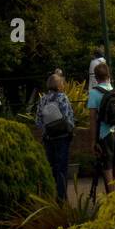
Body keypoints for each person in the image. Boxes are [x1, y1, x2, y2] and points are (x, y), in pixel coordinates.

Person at [86, 60, 115, 192]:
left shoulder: (94, 93)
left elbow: (92, 118)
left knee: (107, 168)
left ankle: (112, 201)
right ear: (109, 75)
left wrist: (93, 141)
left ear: (96, 77)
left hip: (105, 133)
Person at [35, 72, 75, 200]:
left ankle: (50, 197)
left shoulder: (43, 99)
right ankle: (62, 198)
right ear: (60, 85)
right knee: (62, 168)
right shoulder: (63, 98)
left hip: (49, 138)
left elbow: (38, 121)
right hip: (62, 137)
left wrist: (47, 130)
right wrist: (70, 131)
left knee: (51, 167)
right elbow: (69, 117)